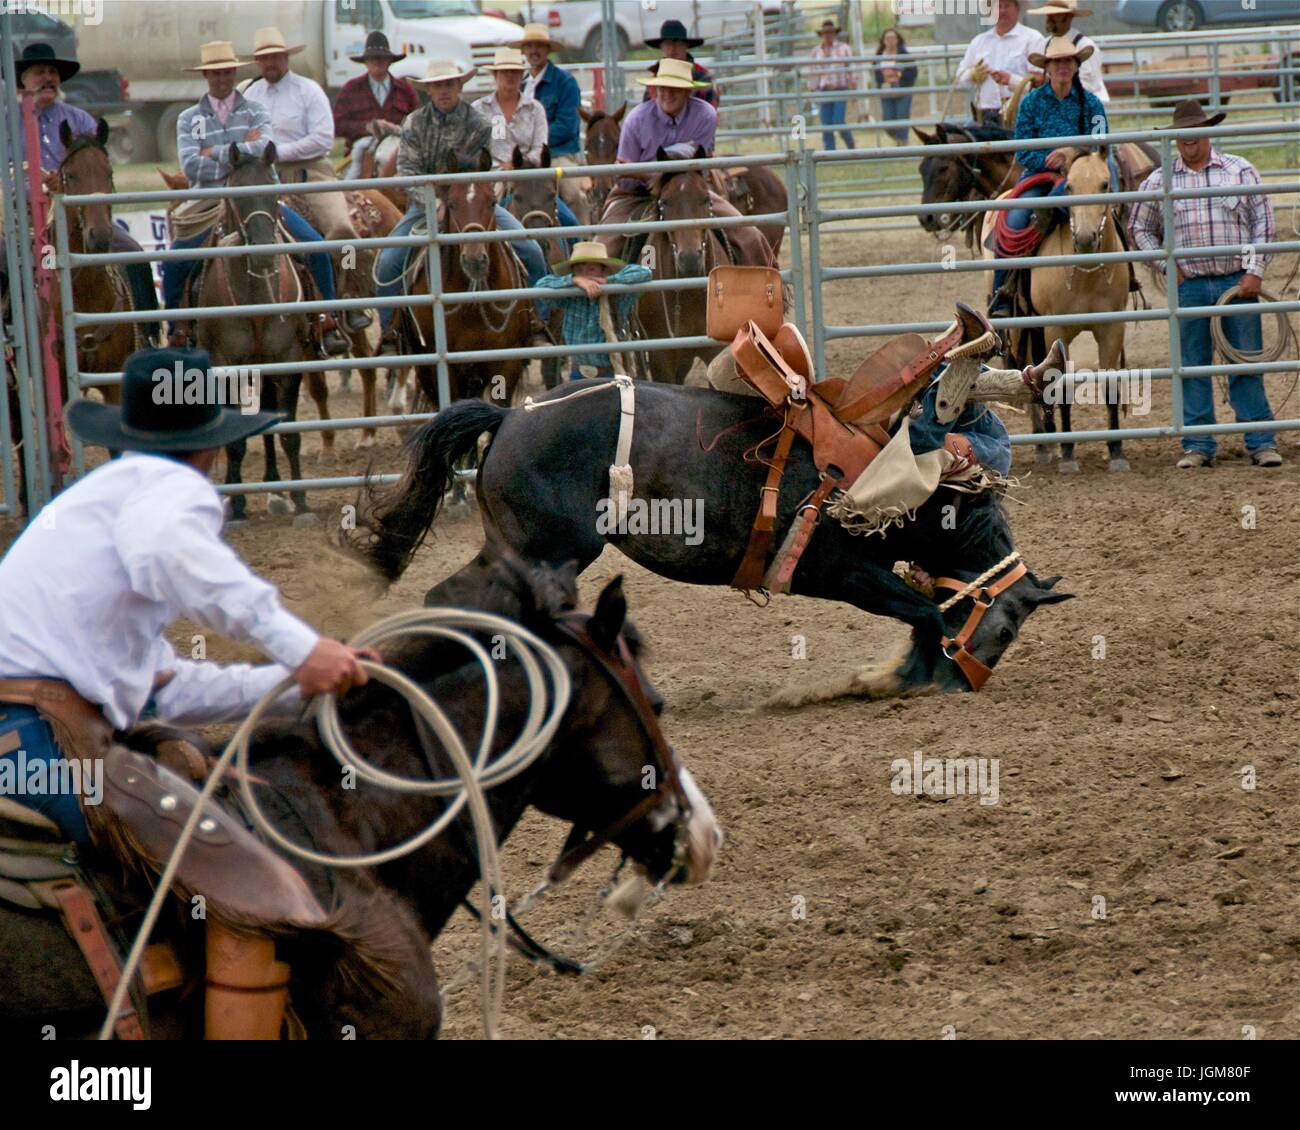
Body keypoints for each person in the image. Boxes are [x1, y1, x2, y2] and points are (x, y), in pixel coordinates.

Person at [0, 346, 378, 846]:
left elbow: (168, 692)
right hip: (33, 738)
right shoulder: (172, 488)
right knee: (219, 860)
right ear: (211, 448)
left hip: (26, 736)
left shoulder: (109, 494)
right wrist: (303, 651)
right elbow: (168, 552)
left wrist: (293, 688)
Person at [162, 41, 348, 354]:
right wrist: (238, 152)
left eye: (227, 72)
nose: (222, 78)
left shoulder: (255, 110)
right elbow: (192, 166)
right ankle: (177, 330)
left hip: (260, 195)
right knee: (177, 262)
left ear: (235, 73)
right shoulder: (188, 118)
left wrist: (215, 152)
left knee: (315, 246)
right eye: (215, 73)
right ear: (206, 76)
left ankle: (326, 319)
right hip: (209, 199)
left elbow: (265, 150)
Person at [1128, 101, 1281, 469]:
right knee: (1192, 364)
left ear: (1208, 130)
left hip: (1236, 281)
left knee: (1245, 359)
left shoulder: (1240, 170)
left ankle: (1260, 441)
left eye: (1196, 130)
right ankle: (1198, 444)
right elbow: (1139, 228)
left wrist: (1255, 269)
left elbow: (1263, 221)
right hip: (1191, 283)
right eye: (1183, 132)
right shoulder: (1160, 179)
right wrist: (1166, 264)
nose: (1189, 138)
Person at [374, 58, 547, 354]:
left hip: (475, 206)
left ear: (459, 86)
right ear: (429, 90)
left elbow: (485, 167)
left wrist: (473, 198)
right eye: (438, 85)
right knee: (389, 260)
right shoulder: (414, 122)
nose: (444, 90)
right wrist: (434, 201)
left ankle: (536, 321)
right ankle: (391, 332)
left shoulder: (478, 122)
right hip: (426, 204)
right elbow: (407, 171)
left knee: (531, 250)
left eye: (449, 84)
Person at [8, 43, 159, 341]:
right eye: (39, 73)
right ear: (23, 81)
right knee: (9, 263)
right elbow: (6, 173)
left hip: (83, 218)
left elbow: (100, 171)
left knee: (133, 253)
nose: (48, 78)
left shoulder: (81, 121)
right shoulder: (8, 123)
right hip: (24, 221)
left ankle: (148, 336)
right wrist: (36, 186)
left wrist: (65, 186)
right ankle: (11, 341)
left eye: (52, 72)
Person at [243, 26, 369, 332]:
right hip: (265, 178)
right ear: (259, 62)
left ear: (286, 57)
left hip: (310, 173)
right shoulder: (249, 95)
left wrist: (277, 152)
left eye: (275, 56)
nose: (271, 63)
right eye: (265, 58)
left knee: (342, 230)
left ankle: (351, 297)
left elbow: (323, 139)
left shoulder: (308, 89)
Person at [596, 58, 767, 266]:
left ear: (688, 92)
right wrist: (667, 166)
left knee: (750, 236)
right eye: (662, 88)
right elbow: (624, 179)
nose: (667, 94)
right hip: (636, 195)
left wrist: (644, 171)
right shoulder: (636, 119)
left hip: (690, 192)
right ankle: (598, 297)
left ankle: (769, 292)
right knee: (601, 249)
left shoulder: (705, 115)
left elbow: (698, 167)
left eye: (674, 89)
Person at [988, 36, 1107, 318]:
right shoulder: (1030, 103)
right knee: (1014, 219)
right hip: (1039, 178)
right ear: (1047, 68)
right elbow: (1022, 149)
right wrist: (1048, 162)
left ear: (1076, 66)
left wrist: (1071, 153)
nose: (1062, 66)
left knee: (1113, 214)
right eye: (1056, 62)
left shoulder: (1091, 104)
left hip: (1082, 178)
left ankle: (1124, 276)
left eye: (1068, 61)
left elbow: (1102, 145)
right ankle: (1001, 295)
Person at [473, 47, 578, 233]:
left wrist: (519, 164)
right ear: (495, 75)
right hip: (494, 175)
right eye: (505, 72)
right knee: (480, 216)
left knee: (568, 219)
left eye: (515, 72)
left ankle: (576, 249)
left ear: (522, 75)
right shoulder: (480, 109)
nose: (510, 77)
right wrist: (498, 166)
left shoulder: (534, 108)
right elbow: (475, 148)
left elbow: (540, 145)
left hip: (531, 175)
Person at [534, 241, 651, 380]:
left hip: (612, 372)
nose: (586, 276)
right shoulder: (570, 297)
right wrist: (574, 280)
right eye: (579, 270)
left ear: (604, 271)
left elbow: (645, 273)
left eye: (591, 269)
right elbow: (540, 286)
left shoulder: (618, 295)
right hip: (579, 372)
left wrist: (608, 281)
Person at [516, 23, 587, 224]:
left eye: (539, 46)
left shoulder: (565, 82)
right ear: (523, 51)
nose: (533, 51)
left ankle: (582, 242)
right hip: (522, 158)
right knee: (493, 195)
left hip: (557, 154)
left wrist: (534, 143)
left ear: (548, 50)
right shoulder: (519, 84)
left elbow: (567, 125)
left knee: (573, 195)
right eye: (529, 46)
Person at [333, 32, 419, 179]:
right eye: (373, 58)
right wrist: (367, 127)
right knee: (348, 191)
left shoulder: (406, 90)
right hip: (358, 152)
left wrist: (396, 129)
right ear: (365, 61)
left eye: (382, 58)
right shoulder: (351, 89)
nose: (378, 62)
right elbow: (336, 125)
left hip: (399, 152)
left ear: (390, 61)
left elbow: (417, 125)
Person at [955, 0, 1045, 127]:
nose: (1002, 10)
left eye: (1007, 5)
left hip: (1020, 113)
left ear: (1017, 9)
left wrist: (1011, 80)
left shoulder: (1032, 38)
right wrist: (972, 75)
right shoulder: (979, 41)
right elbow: (960, 80)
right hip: (983, 114)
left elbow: (1039, 80)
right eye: (997, 6)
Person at [1027, 1, 1107, 103]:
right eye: (1048, 14)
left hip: (1086, 111)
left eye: (1055, 15)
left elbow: (1089, 86)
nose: (1049, 19)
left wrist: (1048, 82)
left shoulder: (1084, 46)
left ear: (1068, 16)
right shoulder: (1043, 44)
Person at [641, 19, 718, 108]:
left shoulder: (702, 76)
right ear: (661, 47)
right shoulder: (654, 79)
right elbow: (646, 111)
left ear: (686, 45)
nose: (673, 48)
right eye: (668, 44)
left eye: (678, 43)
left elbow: (710, 114)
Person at [809, 18, 857, 151]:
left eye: (830, 32)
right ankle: (830, 151)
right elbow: (813, 73)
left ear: (834, 33)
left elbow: (850, 67)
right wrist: (813, 89)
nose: (828, 35)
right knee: (826, 123)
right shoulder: (816, 51)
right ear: (821, 35)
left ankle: (851, 145)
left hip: (840, 87)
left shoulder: (844, 48)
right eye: (825, 33)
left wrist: (853, 84)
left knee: (838, 121)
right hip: (824, 89)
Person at [873, 27, 918, 146]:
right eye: (887, 38)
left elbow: (913, 72)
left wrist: (898, 75)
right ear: (883, 40)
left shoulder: (904, 55)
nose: (890, 40)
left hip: (902, 90)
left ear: (898, 40)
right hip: (886, 91)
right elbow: (875, 74)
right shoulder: (879, 56)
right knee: (888, 121)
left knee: (902, 118)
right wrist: (885, 78)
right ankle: (897, 138)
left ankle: (902, 144)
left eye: (893, 38)